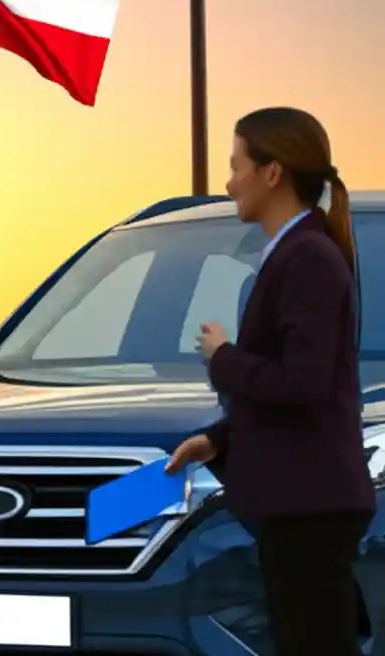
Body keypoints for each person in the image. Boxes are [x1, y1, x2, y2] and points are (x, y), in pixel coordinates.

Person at [167, 106, 375, 656]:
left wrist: (223, 357)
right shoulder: (296, 252)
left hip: (309, 504)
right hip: (298, 503)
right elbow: (300, 390)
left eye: (237, 166)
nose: (229, 181)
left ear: (273, 172)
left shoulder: (307, 258)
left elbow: (303, 383)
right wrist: (217, 439)